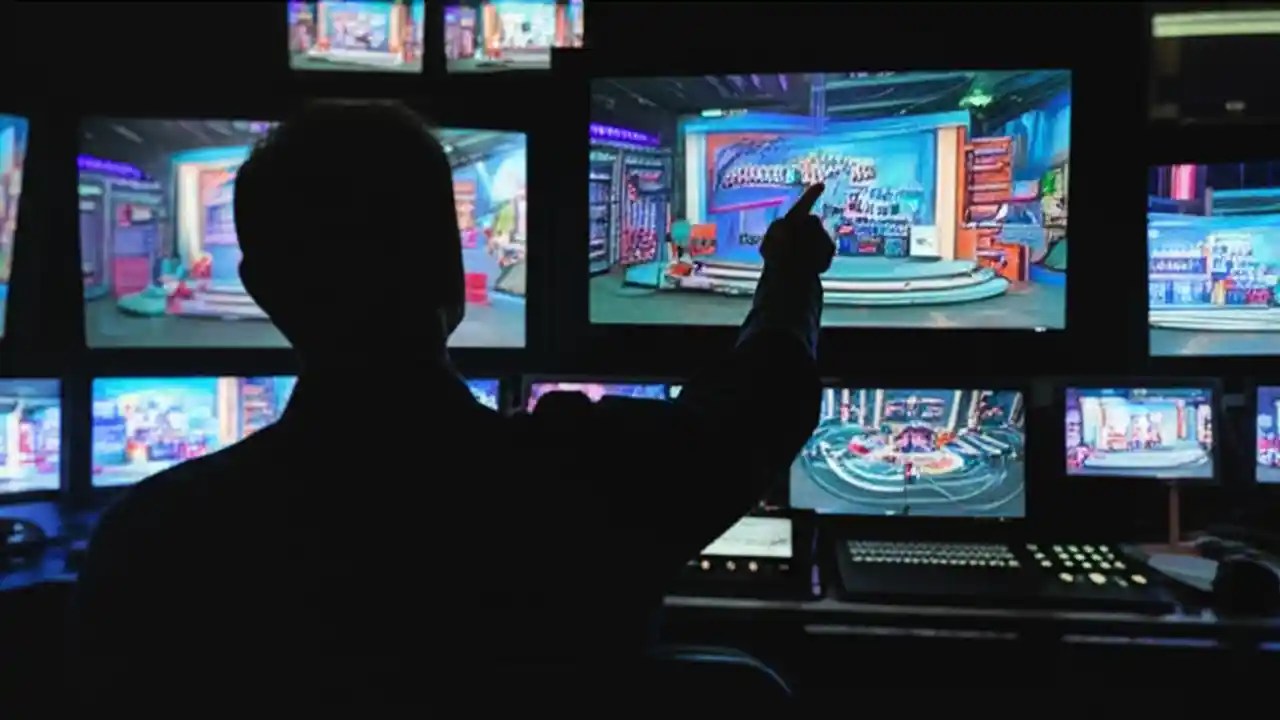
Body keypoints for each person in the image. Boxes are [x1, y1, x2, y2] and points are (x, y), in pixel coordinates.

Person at [66, 100, 833, 707]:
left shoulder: (153, 537)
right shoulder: (589, 479)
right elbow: (762, 400)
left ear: (264, 289)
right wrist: (790, 271)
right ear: (446, 264)